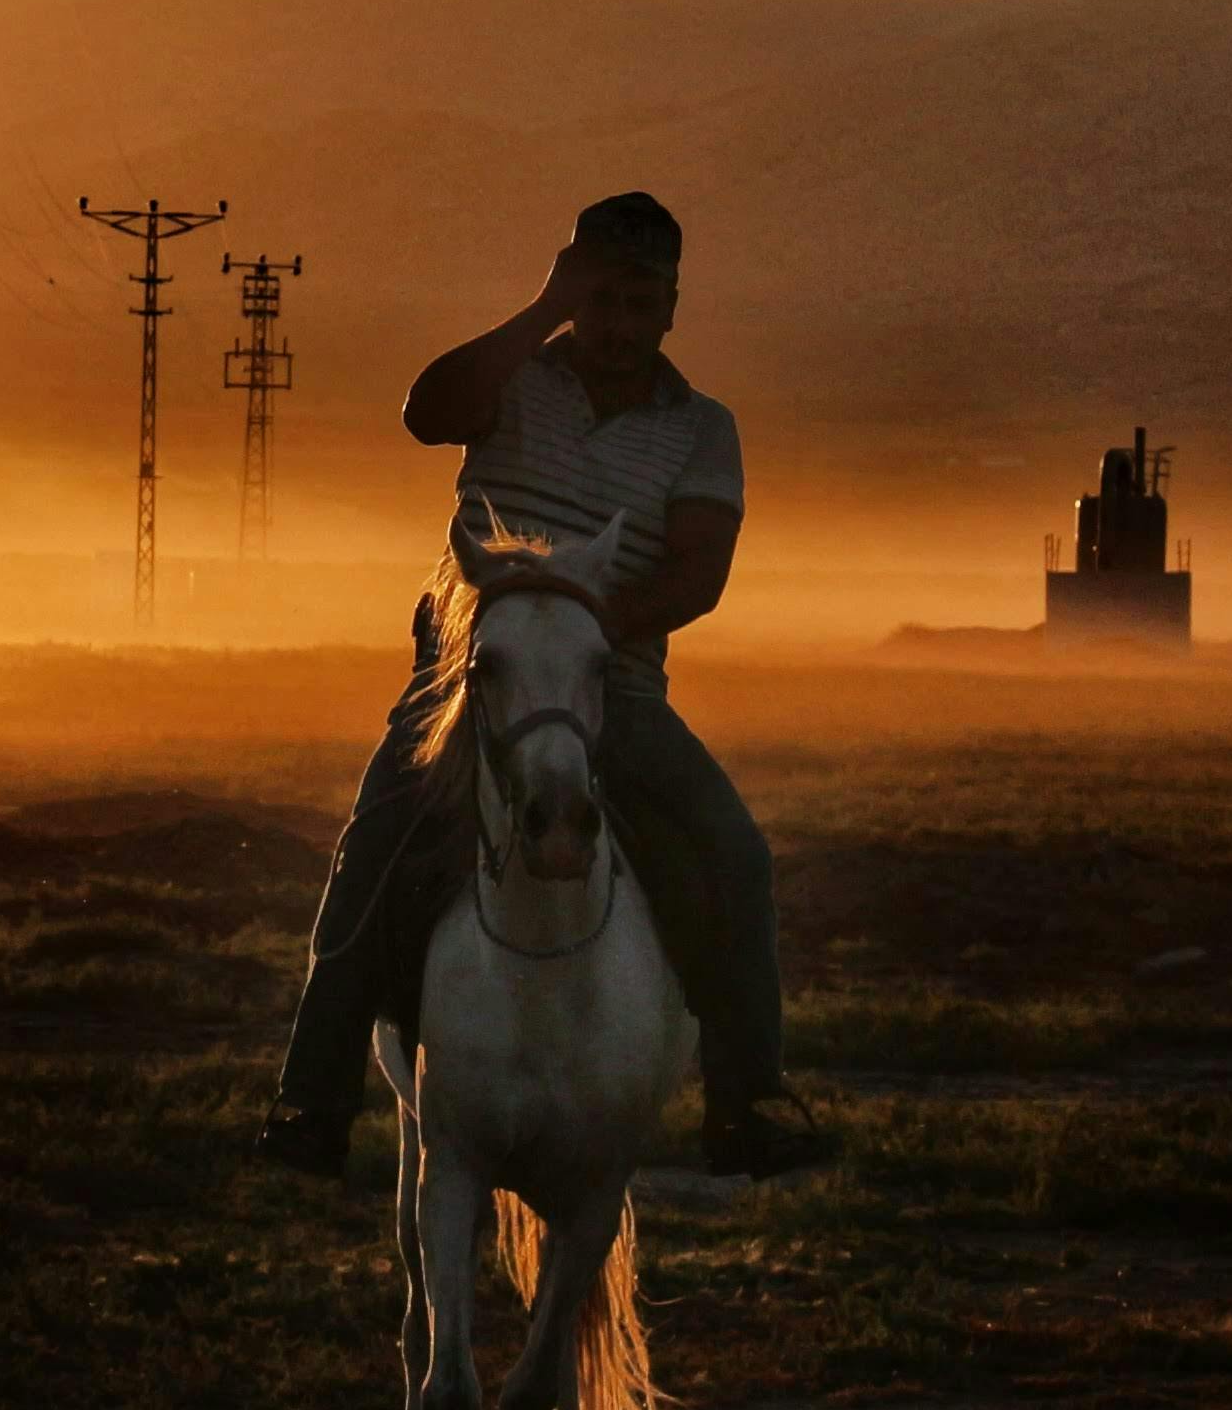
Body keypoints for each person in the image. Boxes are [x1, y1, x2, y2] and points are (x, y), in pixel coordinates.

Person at [255, 190, 824, 1180]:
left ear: (671, 308)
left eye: (640, 305)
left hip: (613, 690)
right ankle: (313, 1099)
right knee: (373, 847)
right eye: (599, 300)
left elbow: (698, 573)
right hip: (468, 686)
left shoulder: (703, 430)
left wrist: (575, 631)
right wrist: (541, 310)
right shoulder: (514, 382)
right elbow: (427, 413)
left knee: (733, 852)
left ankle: (748, 1100)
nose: (619, 325)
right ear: (571, 292)